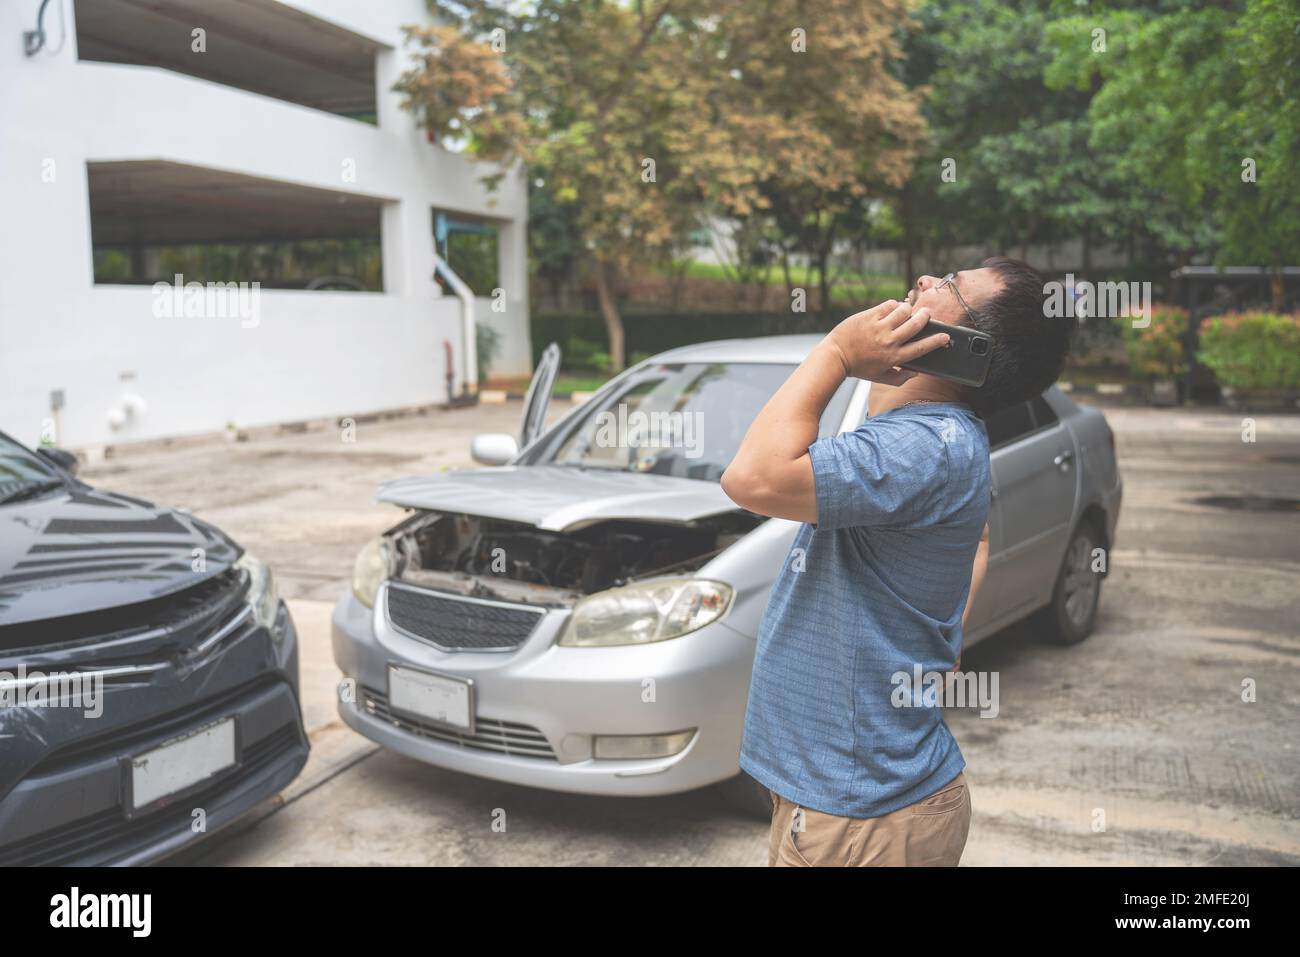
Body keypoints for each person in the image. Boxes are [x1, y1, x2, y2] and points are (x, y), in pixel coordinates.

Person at [720, 257, 1070, 866]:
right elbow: (979, 539)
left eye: (952, 286)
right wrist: (938, 639)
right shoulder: (940, 437)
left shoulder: (921, 447)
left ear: (971, 349)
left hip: (859, 819)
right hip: (868, 806)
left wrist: (836, 351)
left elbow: (752, 478)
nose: (929, 281)